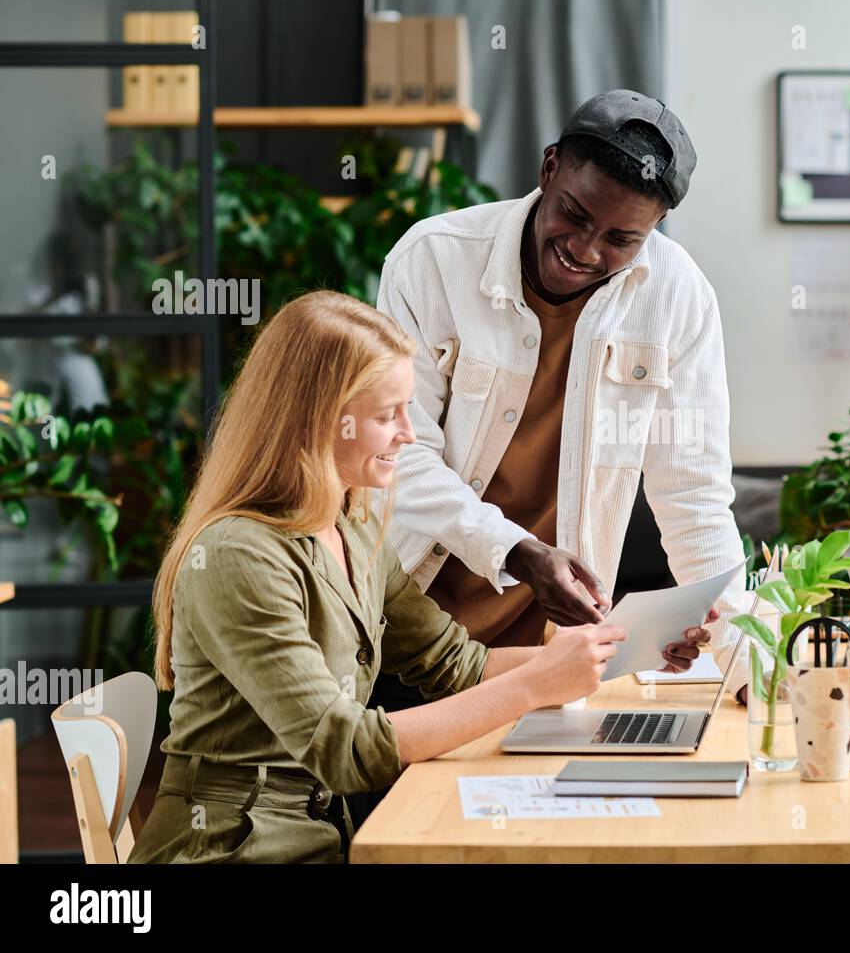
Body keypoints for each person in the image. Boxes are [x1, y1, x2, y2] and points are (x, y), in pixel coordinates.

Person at [128, 291, 694, 863]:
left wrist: (628, 645)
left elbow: (455, 665)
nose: (408, 432)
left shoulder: (354, 524)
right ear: (320, 420)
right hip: (230, 850)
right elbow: (344, 748)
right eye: (386, 415)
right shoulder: (239, 556)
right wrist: (534, 685)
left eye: (406, 408)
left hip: (318, 837)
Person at [368, 90, 746, 721]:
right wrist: (518, 552)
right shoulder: (433, 260)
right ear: (548, 169)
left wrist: (758, 669)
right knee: (401, 815)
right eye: (574, 214)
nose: (587, 250)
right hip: (406, 632)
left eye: (622, 238)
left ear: (652, 231)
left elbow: (695, 500)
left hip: (548, 661)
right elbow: (399, 454)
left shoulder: (680, 299)